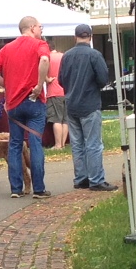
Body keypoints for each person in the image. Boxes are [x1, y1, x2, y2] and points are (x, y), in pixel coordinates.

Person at [0, 17, 51, 198]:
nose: (41, 29)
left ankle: (16, 188)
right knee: (35, 142)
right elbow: (44, 60)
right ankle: (38, 189)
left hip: (13, 103)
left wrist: (7, 85)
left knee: (15, 144)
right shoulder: (39, 45)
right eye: (39, 26)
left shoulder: (7, 49)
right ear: (31, 28)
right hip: (33, 100)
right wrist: (38, 86)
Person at [57, 23, 113, 191]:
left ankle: (81, 178)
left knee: (77, 143)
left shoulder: (66, 56)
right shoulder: (94, 55)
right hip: (89, 103)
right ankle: (96, 179)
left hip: (71, 104)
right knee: (93, 143)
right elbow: (103, 79)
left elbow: (60, 80)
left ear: (75, 37)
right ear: (90, 36)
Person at [44, 44, 69, 149]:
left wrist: (47, 79)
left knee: (57, 119)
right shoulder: (64, 56)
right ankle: (63, 143)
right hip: (66, 90)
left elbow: (41, 70)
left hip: (54, 91)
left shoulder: (47, 58)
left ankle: (58, 144)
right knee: (65, 119)